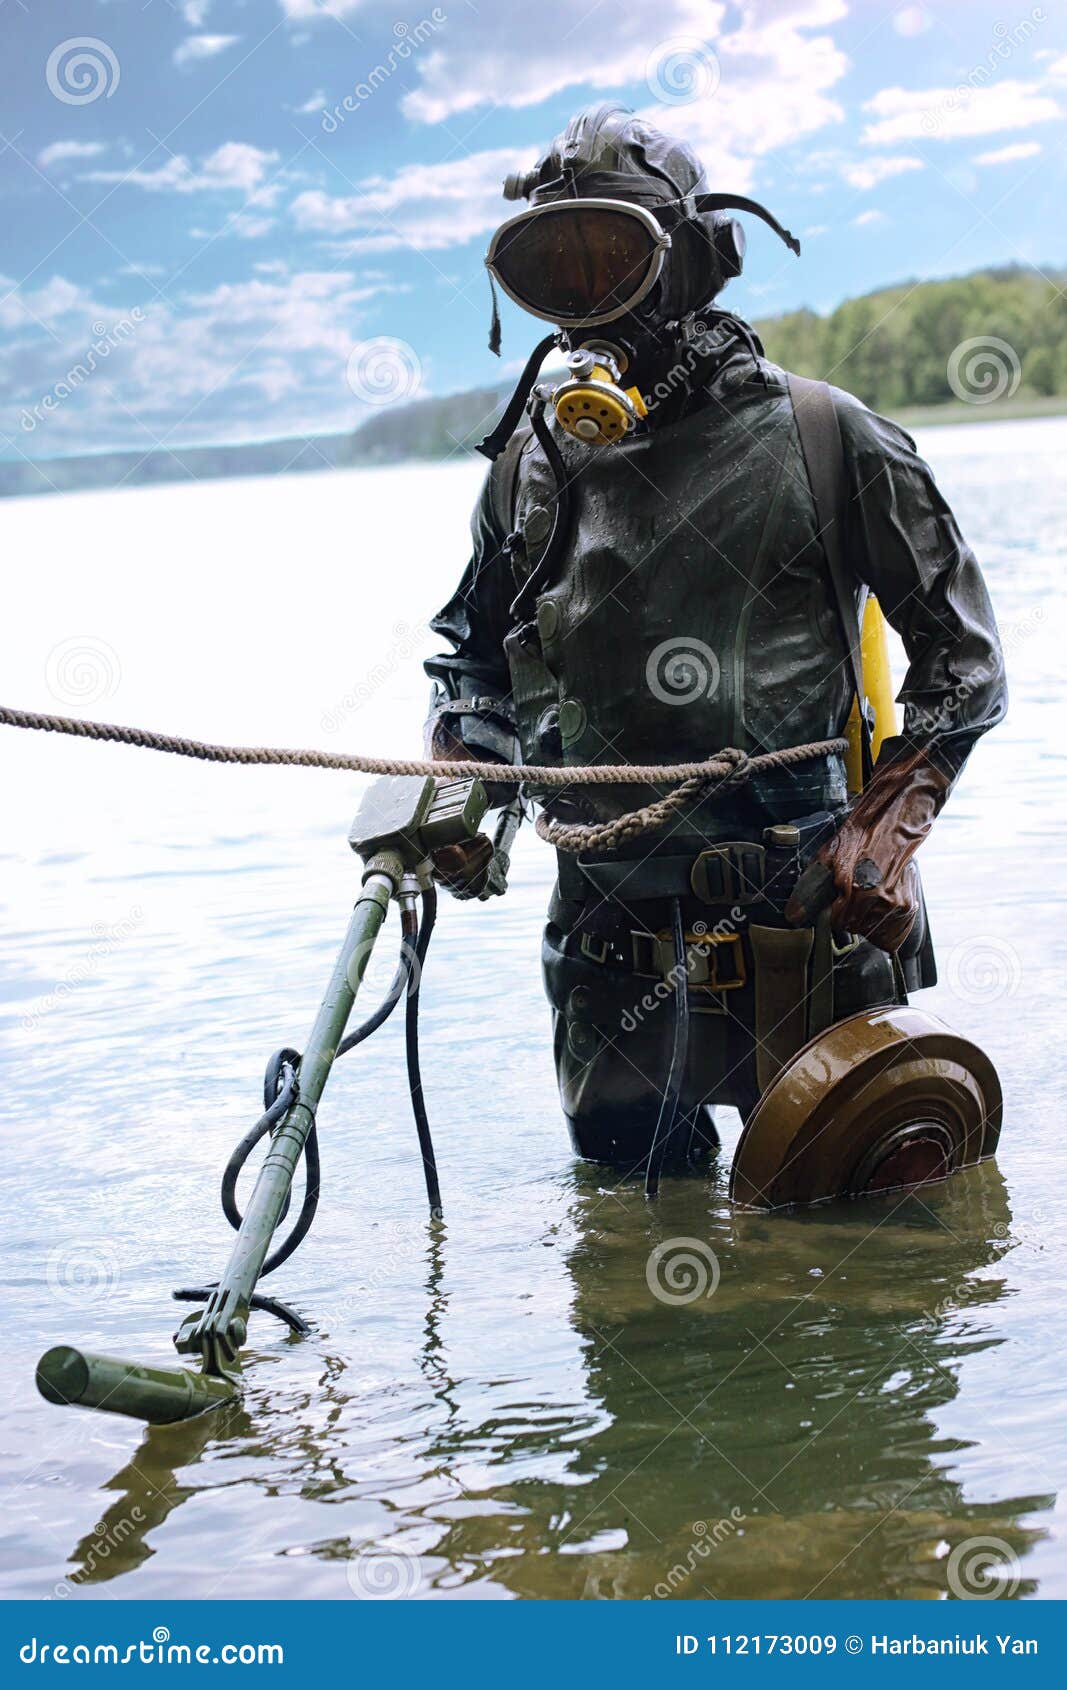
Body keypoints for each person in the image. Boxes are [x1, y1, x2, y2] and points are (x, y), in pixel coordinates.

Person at [424, 103, 1006, 1171]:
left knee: (874, 1262)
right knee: (631, 1279)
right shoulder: (530, 467)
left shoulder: (829, 437)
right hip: (606, 956)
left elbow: (964, 661)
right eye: (552, 275)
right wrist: (459, 778)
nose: (583, 307)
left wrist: (884, 830)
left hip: (808, 927)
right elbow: (469, 651)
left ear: (691, 262)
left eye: (611, 262)